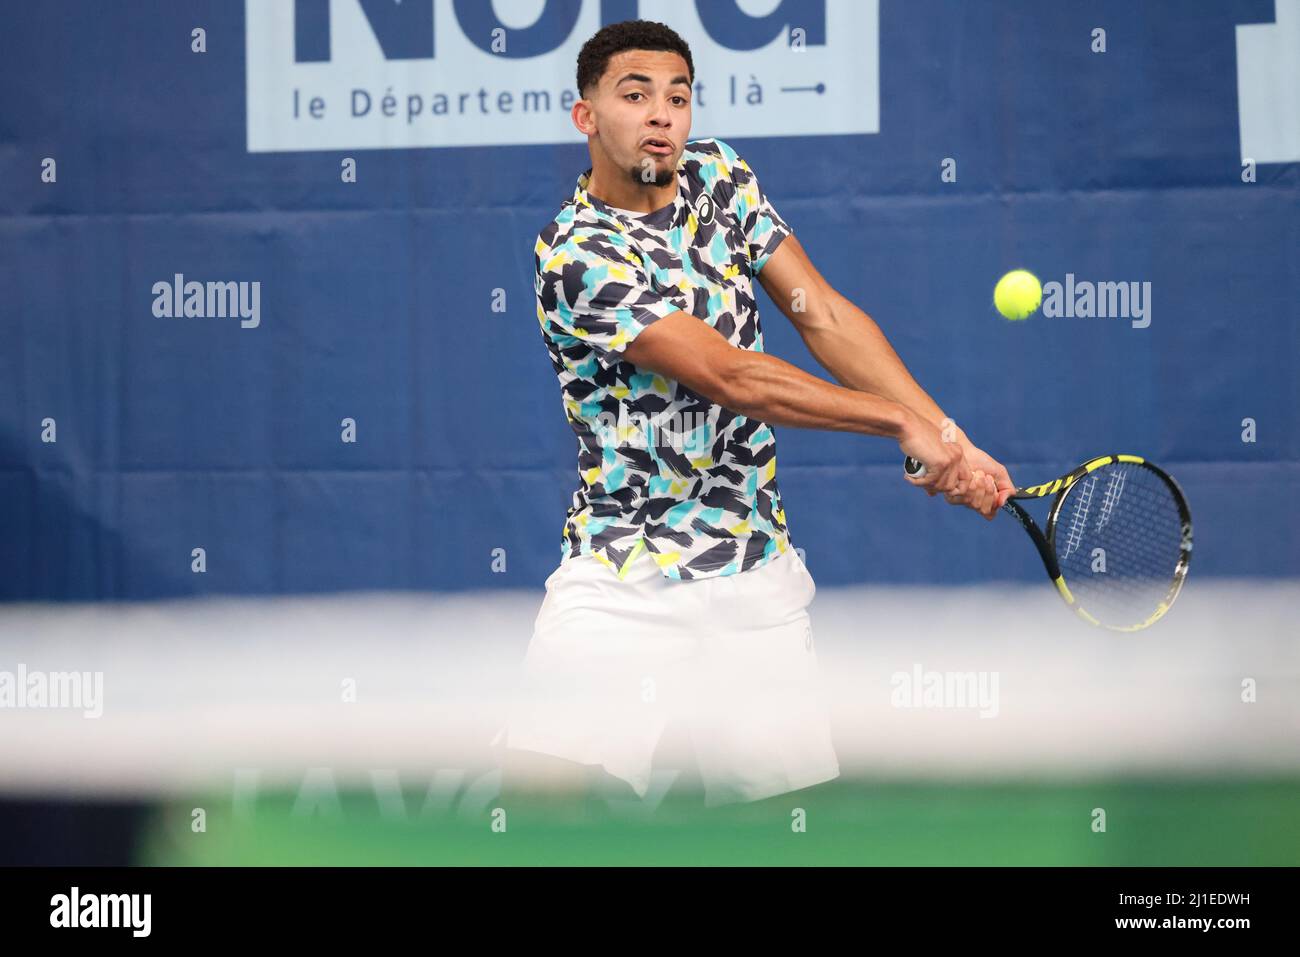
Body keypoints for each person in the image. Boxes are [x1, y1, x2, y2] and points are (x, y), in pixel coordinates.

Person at [494, 20, 1014, 809]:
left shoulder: (721, 176)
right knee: (537, 810)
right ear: (586, 117)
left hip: (754, 570)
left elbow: (824, 316)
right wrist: (897, 424)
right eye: (635, 96)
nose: (661, 115)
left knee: (787, 831)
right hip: (626, 570)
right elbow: (731, 376)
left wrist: (946, 435)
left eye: (678, 96)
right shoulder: (575, 254)